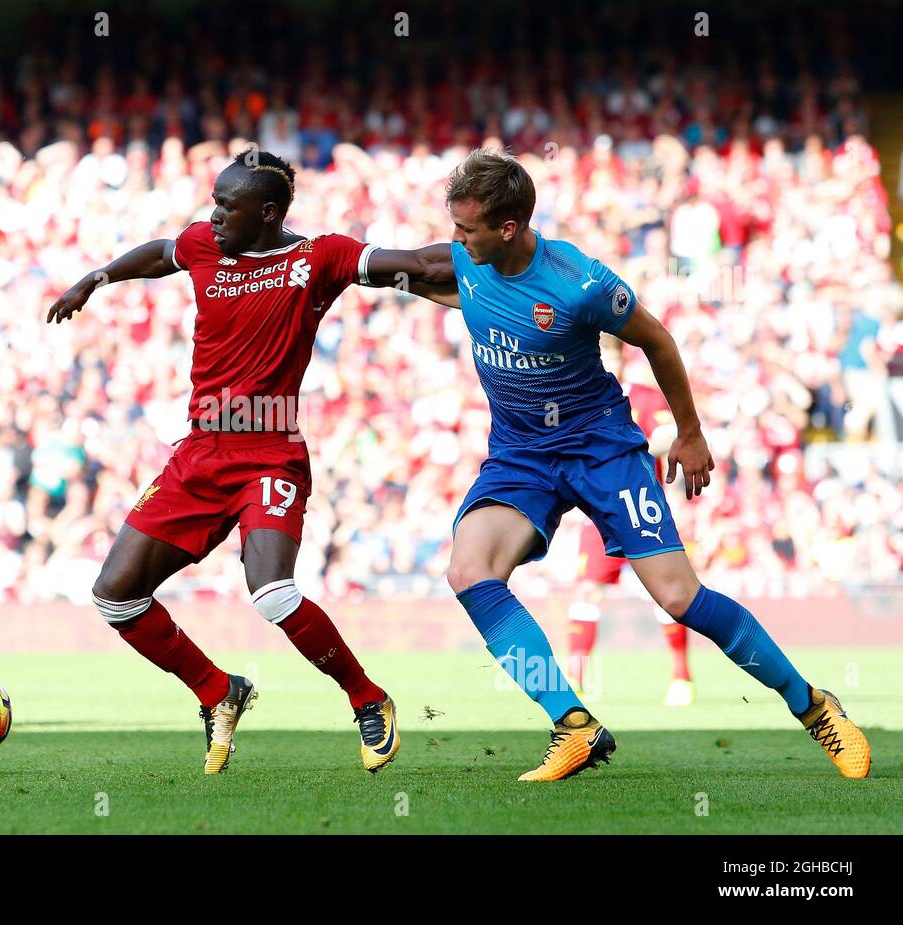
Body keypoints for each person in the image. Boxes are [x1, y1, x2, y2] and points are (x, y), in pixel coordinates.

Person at [410, 149, 870, 781]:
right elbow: (375, 265)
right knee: (469, 570)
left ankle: (814, 706)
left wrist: (690, 433)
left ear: (508, 227)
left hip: (602, 448)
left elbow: (657, 341)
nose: (455, 239)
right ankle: (573, 724)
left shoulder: (581, 283)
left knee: (681, 598)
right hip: (521, 454)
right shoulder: (464, 264)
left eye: (466, 228)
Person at [46, 148, 452, 774]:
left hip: (269, 453)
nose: (211, 219)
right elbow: (159, 253)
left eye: (225, 207)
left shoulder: (320, 256)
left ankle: (368, 699)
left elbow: (419, 263)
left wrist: (516, 260)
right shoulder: (206, 247)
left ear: (266, 213)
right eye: (212, 203)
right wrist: (93, 280)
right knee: (116, 598)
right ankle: (217, 690)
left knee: (271, 591)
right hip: (201, 452)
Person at [567, 337, 694, 707]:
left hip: (642, 510)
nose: (604, 365)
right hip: (598, 514)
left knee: (668, 596)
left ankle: (681, 677)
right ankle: (575, 679)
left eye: (610, 358)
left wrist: (642, 442)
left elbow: (670, 433)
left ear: (622, 359)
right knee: (587, 593)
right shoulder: (578, 398)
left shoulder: (644, 396)